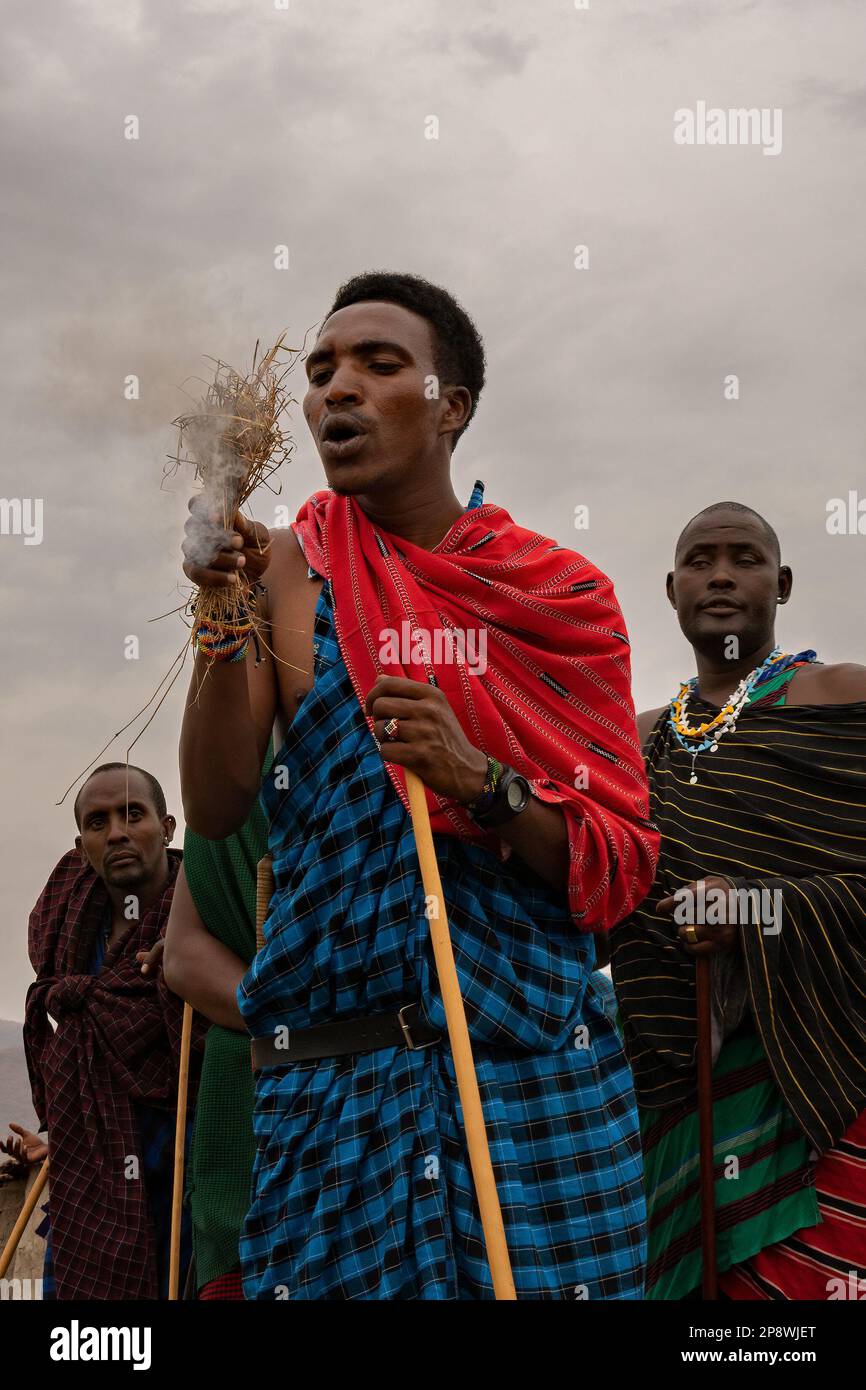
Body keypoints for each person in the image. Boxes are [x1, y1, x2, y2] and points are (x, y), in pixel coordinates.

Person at [180, 270, 659, 1300]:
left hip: (525, 1093)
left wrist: (480, 781)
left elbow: (615, 861)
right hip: (332, 1090)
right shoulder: (283, 573)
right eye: (320, 373)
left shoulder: (559, 595)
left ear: (450, 406)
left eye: (376, 364)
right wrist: (220, 614)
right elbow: (217, 803)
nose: (336, 390)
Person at [610, 502, 866, 1299]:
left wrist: (754, 909)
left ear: (782, 584)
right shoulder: (633, 739)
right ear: (670, 588)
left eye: (745, 559)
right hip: (676, 1092)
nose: (721, 575)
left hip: (819, 1073)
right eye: (700, 560)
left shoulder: (840, 698)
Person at [12, 763, 201, 1299]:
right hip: (87, 1170)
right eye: (98, 822)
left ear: (167, 827)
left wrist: (181, 970)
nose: (116, 832)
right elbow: (90, 1060)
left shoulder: (205, 912)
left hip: (184, 1155)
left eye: (132, 814)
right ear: (82, 844)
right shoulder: (62, 927)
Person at [162, 753, 272, 1301]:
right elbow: (182, 957)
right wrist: (289, 1023)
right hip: (243, 1106)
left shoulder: (400, 744)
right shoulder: (230, 790)